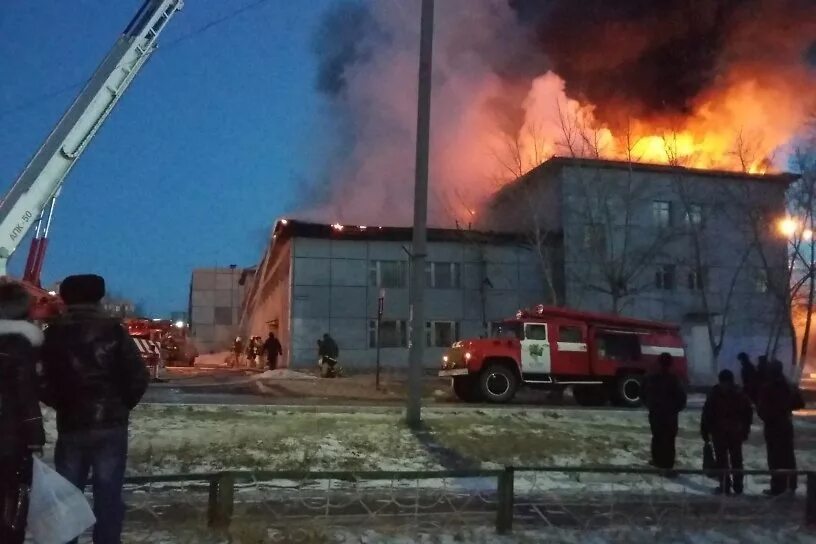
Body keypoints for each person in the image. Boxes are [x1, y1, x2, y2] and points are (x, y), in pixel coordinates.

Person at [40, 274, 149, 544]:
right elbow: (137, 376)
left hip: (72, 424)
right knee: (109, 495)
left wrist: (63, 403)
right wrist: (120, 405)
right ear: (99, 296)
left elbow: (40, 380)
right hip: (111, 425)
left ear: (65, 297)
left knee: (67, 495)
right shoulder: (113, 331)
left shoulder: (53, 334)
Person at [0, 283, 45, 544]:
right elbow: (25, 394)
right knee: (12, 497)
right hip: (9, 436)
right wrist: (35, 437)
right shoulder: (19, 345)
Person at [701, 369, 753, 495]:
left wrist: (705, 430)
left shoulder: (715, 394)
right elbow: (748, 414)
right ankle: (731, 485)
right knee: (728, 460)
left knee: (732, 460)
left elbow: (707, 414)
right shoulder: (739, 394)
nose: (725, 386)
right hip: (729, 433)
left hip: (725, 432)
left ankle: (731, 485)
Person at [757, 359, 805, 495]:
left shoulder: (767, 388)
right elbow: (799, 403)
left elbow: (762, 410)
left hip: (774, 427)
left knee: (775, 459)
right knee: (788, 458)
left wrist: (771, 414)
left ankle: (778, 487)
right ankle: (791, 485)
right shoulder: (787, 386)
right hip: (785, 426)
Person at [642, 352, 687, 473]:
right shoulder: (674, 380)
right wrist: (674, 409)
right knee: (669, 441)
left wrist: (650, 406)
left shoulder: (651, 378)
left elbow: (643, 394)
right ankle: (667, 465)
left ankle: (657, 461)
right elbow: (682, 399)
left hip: (656, 414)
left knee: (657, 438)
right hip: (670, 416)